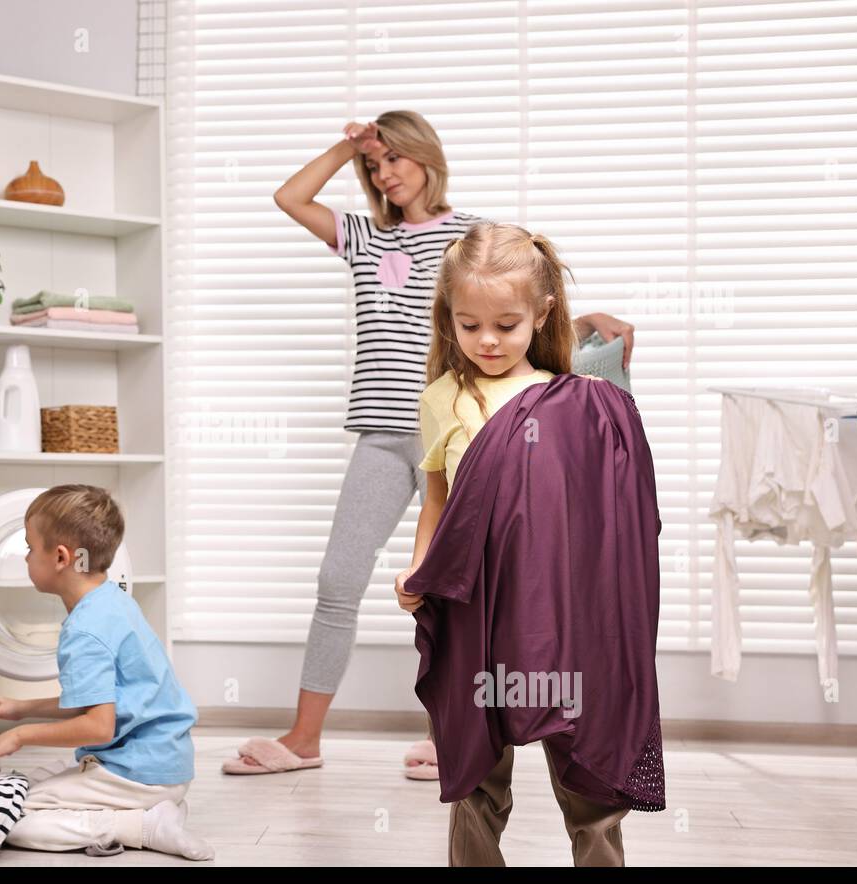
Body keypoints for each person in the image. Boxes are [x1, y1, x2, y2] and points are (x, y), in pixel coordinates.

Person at [224, 110, 634, 777]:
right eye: (375, 166)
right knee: (339, 580)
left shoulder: (468, 235)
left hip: (459, 426)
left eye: (394, 159)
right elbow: (290, 198)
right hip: (384, 434)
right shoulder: (363, 236)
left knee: (457, 588)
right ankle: (304, 739)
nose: (385, 174)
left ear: (425, 156)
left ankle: (453, 735)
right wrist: (345, 146)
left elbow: (520, 292)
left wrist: (582, 319)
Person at [399, 222, 656, 865]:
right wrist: (415, 568)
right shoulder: (441, 399)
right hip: (472, 608)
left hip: (560, 615)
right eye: (469, 324)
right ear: (449, 319)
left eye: (507, 326)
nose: (487, 341)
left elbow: (610, 514)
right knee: (475, 769)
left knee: (587, 766)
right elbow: (437, 498)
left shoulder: (579, 402)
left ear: (540, 316)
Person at [0, 484, 213, 860]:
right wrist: (17, 708)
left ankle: (142, 825)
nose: (27, 557)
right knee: (21, 787)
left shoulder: (84, 632)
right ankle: (155, 812)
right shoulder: (112, 603)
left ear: (61, 557)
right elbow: (97, 703)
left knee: (2, 816)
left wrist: (19, 736)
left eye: (29, 547)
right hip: (162, 765)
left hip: (136, 773)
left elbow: (97, 726)